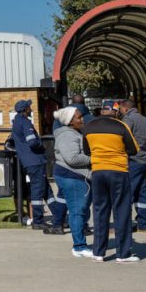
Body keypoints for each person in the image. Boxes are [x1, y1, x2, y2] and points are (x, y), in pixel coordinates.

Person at [81, 102, 140, 262]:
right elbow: (134, 149)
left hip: (98, 171)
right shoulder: (121, 126)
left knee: (100, 210)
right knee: (121, 210)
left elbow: (86, 150)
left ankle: (98, 252)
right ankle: (123, 254)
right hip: (118, 171)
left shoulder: (88, 127)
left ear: (100, 111)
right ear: (114, 112)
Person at [6, 99, 61, 231]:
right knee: (38, 190)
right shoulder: (25, 123)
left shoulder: (17, 122)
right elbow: (32, 142)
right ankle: (38, 220)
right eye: (29, 107)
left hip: (29, 161)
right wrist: (41, 146)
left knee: (46, 190)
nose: (31, 109)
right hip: (35, 160)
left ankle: (59, 216)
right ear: (25, 110)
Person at [51, 106, 93, 258]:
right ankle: (79, 246)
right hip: (72, 176)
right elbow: (73, 158)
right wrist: (94, 158)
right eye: (78, 117)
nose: (82, 120)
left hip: (77, 176)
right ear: (69, 121)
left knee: (80, 211)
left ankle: (80, 243)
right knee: (77, 211)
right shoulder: (67, 135)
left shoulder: (74, 133)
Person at [120, 97, 146, 232]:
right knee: (141, 191)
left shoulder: (128, 120)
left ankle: (125, 224)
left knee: (127, 191)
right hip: (144, 160)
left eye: (121, 109)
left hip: (132, 160)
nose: (120, 112)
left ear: (126, 108)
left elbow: (122, 138)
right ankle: (144, 224)